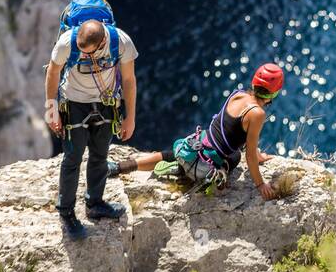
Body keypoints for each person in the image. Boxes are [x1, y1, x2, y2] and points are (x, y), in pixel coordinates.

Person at [111, 63, 284, 199]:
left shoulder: (238, 94)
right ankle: (187, 174)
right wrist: (261, 184)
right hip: (209, 162)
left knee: (167, 154)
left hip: (197, 143)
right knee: (235, 156)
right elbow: (250, 155)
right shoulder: (257, 114)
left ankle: (117, 167)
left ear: (254, 83)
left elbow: (233, 130)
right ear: (274, 94)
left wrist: (257, 154)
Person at [44, 0, 138, 240]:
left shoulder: (121, 42)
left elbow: (128, 80)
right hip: (74, 102)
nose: (83, 56)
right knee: (72, 157)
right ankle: (66, 212)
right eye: (81, 53)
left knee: (100, 154)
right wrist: (52, 110)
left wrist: (130, 118)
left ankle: (95, 203)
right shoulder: (68, 42)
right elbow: (52, 74)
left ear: (102, 41)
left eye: (88, 54)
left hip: (106, 102)